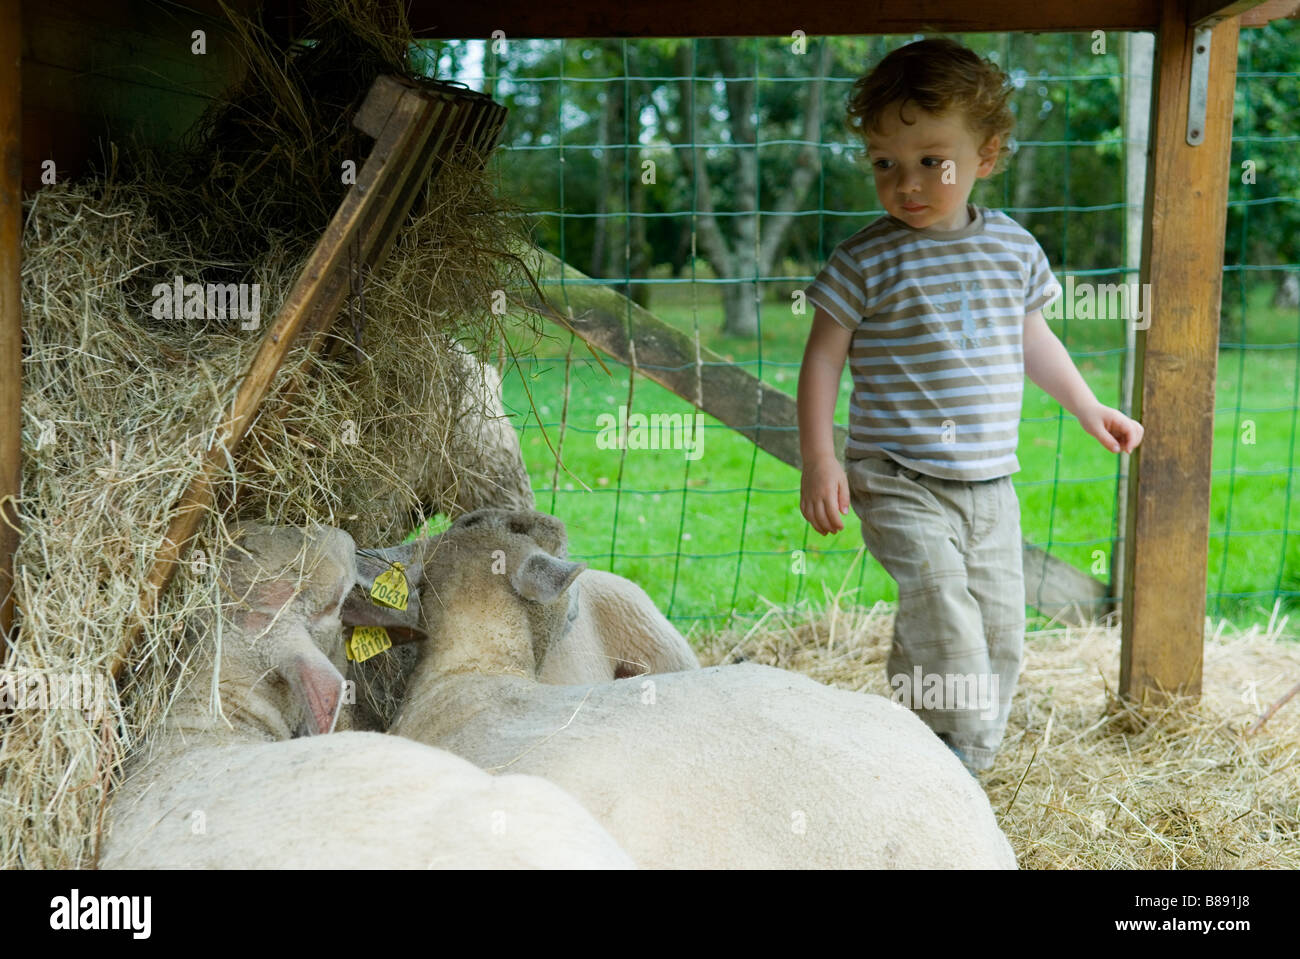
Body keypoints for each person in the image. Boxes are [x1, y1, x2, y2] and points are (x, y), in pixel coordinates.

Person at [797, 37, 1143, 773]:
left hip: (990, 485)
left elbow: (1031, 336)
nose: (907, 183)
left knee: (999, 629)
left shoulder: (1013, 250)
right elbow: (823, 355)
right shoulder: (866, 259)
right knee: (941, 602)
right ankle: (947, 759)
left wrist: (1088, 406)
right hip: (897, 476)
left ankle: (953, 750)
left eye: (932, 159)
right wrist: (821, 457)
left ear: (986, 155)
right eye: (886, 163)